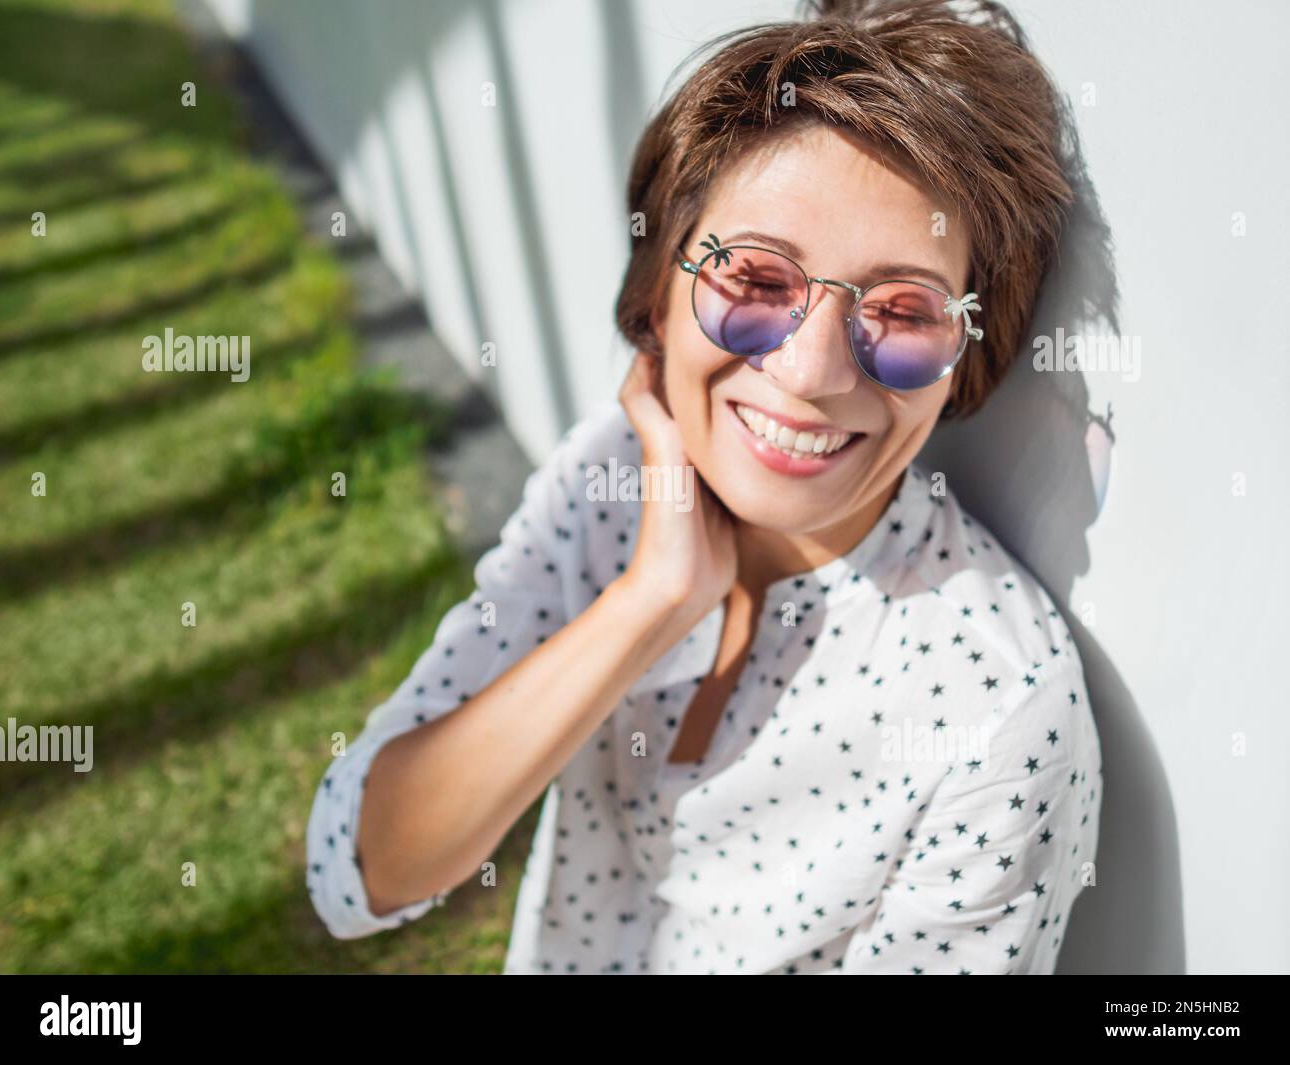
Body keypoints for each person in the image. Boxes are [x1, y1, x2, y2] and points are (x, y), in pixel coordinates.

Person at [306, 0, 1102, 974]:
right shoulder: (612, 480)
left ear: (966, 358)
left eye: (902, 309)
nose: (811, 372)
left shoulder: (997, 707)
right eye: (756, 279)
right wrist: (649, 599)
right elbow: (361, 870)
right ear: (658, 297)